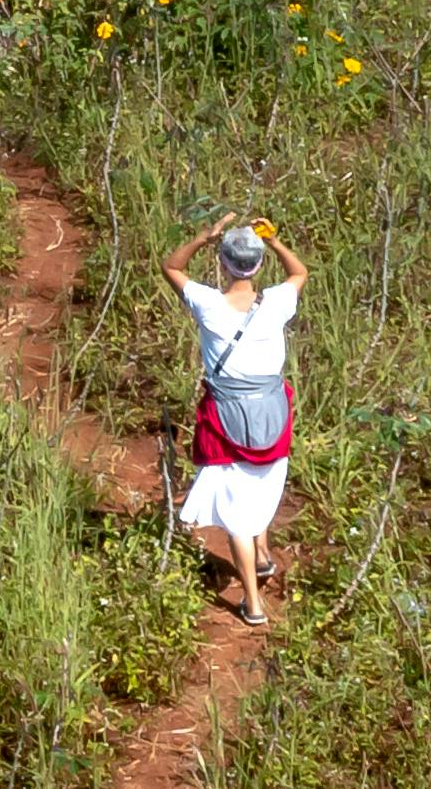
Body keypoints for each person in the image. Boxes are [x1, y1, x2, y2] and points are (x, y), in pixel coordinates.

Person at [165, 209, 306, 626]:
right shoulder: (278, 302)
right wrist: (276, 241)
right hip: (272, 411)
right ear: (259, 264)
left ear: (223, 264)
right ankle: (263, 557)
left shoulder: (209, 304)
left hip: (226, 414)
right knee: (261, 488)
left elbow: (171, 266)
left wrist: (206, 236)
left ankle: (253, 604)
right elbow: (299, 273)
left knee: (236, 514)